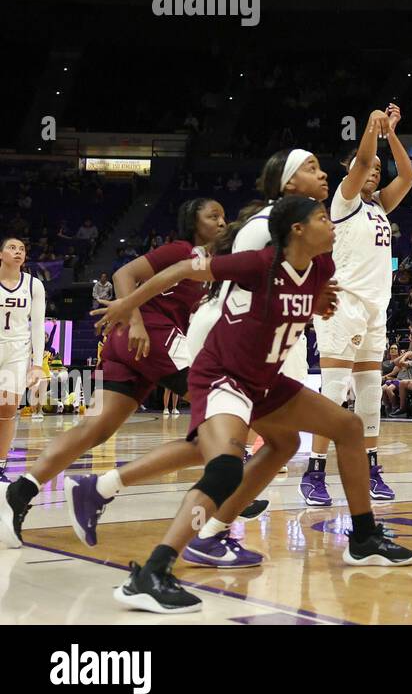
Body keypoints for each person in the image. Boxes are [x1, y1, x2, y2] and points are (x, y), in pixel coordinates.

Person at [89, 195, 412, 613]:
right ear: (297, 229)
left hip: (264, 380)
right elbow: (184, 268)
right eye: (322, 218)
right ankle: (151, 573)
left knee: (348, 427)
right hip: (222, 375)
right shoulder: (259, 263)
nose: (331, 224)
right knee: (224, 467)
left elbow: (307, 295)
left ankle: (364, 537)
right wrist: (128, 304)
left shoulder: (322, 268)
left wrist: (320, 300)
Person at [58, 149, 331, 561]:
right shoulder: (263, 227)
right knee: (250, 442)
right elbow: (210, 280)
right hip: (232, 343)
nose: (323, 174)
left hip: (247, 341)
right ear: (288, 182)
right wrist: (129, 307)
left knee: (242, 441)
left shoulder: (286, 224)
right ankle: (199, 532)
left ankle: (179, 505)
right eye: (312, 167)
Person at [0, 201, 230, 552]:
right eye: (213, 216)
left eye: (224, 216)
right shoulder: (180, 250)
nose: (222, 222)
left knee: (95, 428)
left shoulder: (212, 264)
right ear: (192, 222)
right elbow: (124, 274)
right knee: (222, 407)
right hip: (150, 336)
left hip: (130, 346)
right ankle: (231, 493)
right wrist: (136, 322)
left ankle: (19, 493)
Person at [302, 105, 412, 507]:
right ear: (350, 170)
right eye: (368, 167)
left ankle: (369, 469)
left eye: (378, 170)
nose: (375, 172)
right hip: (343, 302)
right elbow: (365, 160)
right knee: (334, 391)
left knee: (370, 393)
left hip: (374, 308)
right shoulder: (343, 200)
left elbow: (409, 176)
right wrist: (372, 125)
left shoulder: (379, 204)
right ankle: (314, 471)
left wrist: (392, 135)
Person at [0, 238, 44, 485]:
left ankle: (0, 464)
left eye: (22, 249)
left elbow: (37, 325)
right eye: (12, 248)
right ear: (1, 254)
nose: (17, 252)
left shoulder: (33, 285)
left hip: (16, 351)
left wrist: (37, 364)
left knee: (7, 409)